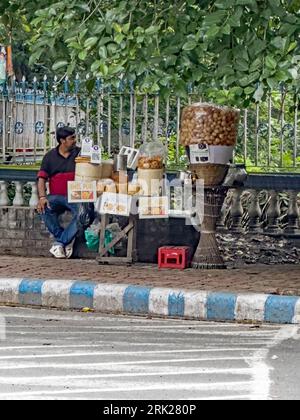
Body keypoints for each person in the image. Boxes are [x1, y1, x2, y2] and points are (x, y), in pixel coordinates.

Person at [37, 126, 81, 258]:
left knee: (85, 214)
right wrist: (42, 197)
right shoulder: (49, 157)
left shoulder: (80, 154)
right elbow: (41, 179)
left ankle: (60, 242)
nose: (74, 140)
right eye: (71, 138)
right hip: (56, 197)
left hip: (76, 196)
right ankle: (65, 240)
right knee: (44, 208)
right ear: (62, 140)